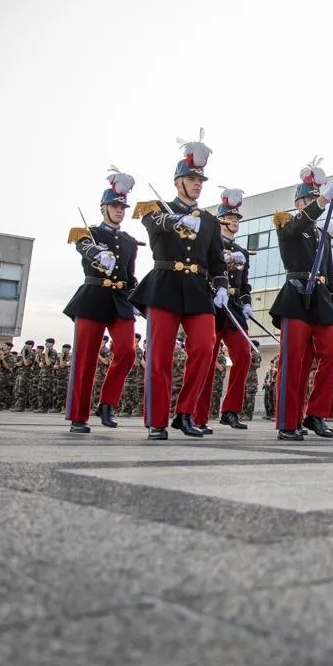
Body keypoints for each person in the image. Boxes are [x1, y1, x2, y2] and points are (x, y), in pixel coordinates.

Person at [130, 134, 229, 440]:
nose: (197, 184)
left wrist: (222, 284)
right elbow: (152, 223)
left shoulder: (210, 221)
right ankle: (157, 420)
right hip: (165, 286)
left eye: (200, 179)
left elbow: (216, 260)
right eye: (191, 178)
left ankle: (185, 412)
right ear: (177, 182)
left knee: (204, 347)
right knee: (160, 356)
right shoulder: (155, 208)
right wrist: (175, 221)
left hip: (198, 288)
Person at [268, 164, 333, 441]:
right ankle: (288, 422)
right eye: (309, 199)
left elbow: (330, 272)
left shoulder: (322, 234)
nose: (314, 203)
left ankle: (315, 414)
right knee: (294, 362)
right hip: (296, 295)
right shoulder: (286, 222)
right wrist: (323, 201)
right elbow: (297, 226)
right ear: (299, 203)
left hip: (321, 299)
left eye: (316, 198)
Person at [63, 168, 142, 432]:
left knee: (128, 352)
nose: (120, 210)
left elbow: (130, 277)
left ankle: (107, 403)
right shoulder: (89, 233)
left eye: (122, 207)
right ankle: (78, 416)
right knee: (86, 359)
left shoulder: (130, 241)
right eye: (114, 206)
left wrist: (141, 299)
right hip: (93, 298)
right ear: (103, 208)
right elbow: (82, 246)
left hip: (120, 300)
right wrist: (96, 252)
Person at [193, 187, 254, 432]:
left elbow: (245, 281)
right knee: (207, 360)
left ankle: (230, 410)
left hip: (235, 307)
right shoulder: (209, 245)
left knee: (244, 355)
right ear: (220, 220)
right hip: (213, 305)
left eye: (236, 218)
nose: (234, 221)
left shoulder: (241, 251)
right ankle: (199, 416)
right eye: (229, 217)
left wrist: (247, 301)